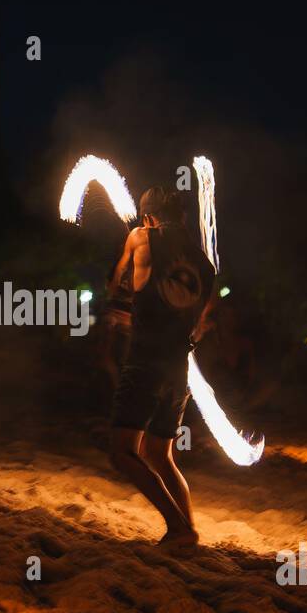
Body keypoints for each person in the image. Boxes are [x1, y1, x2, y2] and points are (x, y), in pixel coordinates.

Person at [106, 186, 215, 548]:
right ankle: (187, 531)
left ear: (149, 217)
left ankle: (179, 527)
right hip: (178, 367)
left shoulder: (141, 236)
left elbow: (117, 284)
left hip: (146, 362)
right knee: (160, 453)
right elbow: (202, 325)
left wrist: (124, 311)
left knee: (122, 451)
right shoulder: (204, 263)